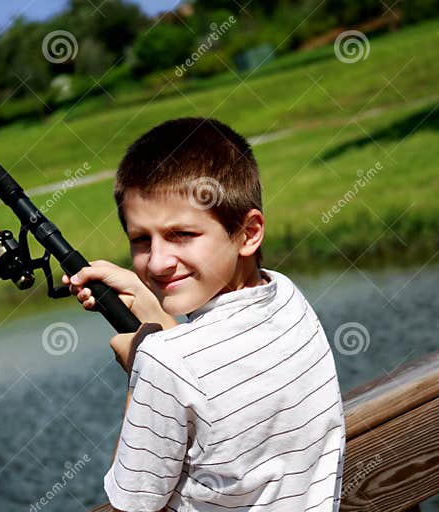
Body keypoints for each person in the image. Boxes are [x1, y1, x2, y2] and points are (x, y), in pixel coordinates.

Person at [61, 117, 345, 512]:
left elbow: (134, 504)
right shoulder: (286, 298)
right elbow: (212, 372)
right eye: (141, 240)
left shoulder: (164, 362)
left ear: (247, 233)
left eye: (181, 235)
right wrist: (146, 302)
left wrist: (140, 367)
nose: (158, 263)